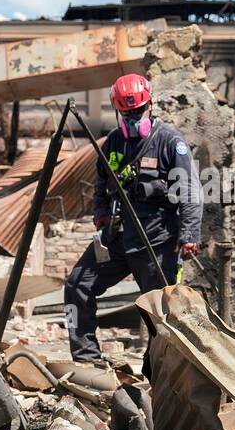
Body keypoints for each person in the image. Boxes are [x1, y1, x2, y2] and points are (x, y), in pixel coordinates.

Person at [64, 73, 201, 362]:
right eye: (126, 114)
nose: (132, 118)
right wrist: (100, 213)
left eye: (137, 112)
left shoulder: (169, 141)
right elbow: (101, 186)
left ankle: (161, 372)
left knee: (160, 313)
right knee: (77, 284)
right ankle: (86, 358)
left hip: (156, 243)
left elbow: (190, 191)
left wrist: (189, 235)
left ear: (150, 106)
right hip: (117, 238)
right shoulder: (113, 143)